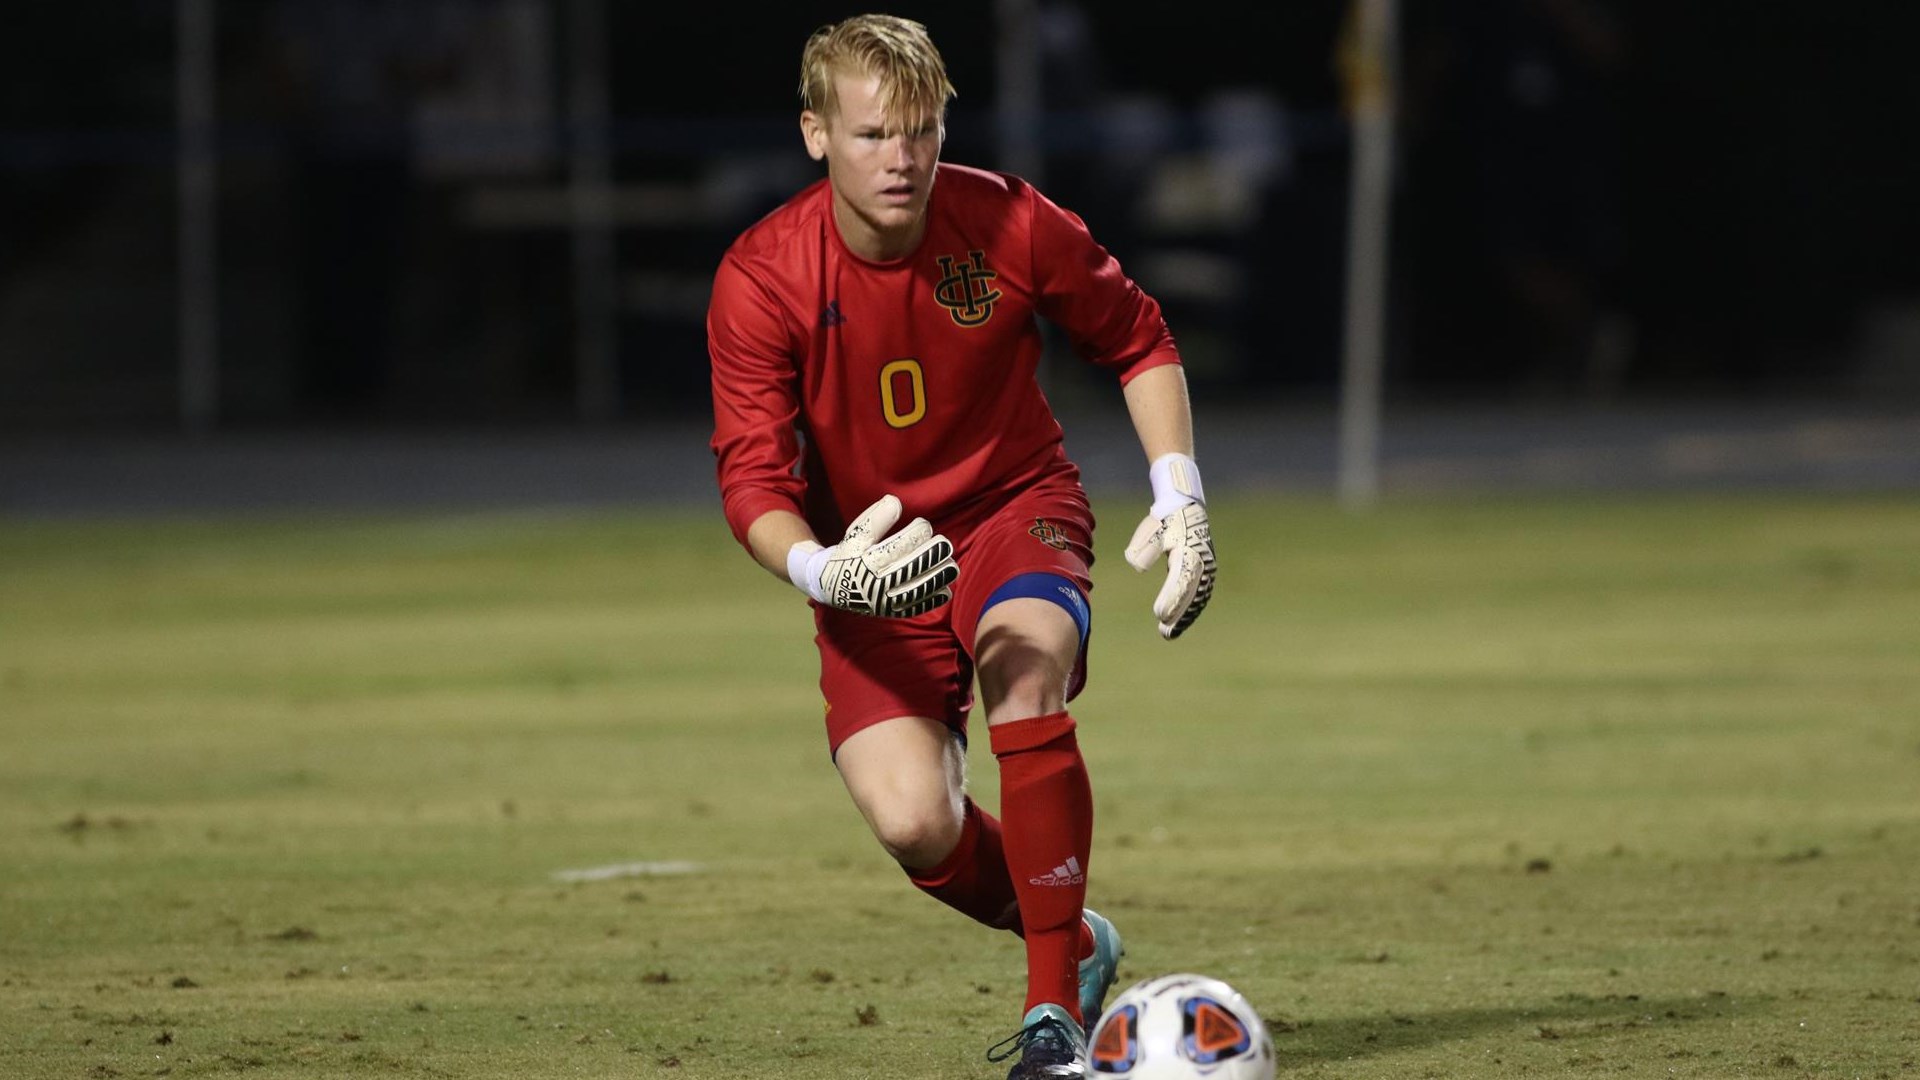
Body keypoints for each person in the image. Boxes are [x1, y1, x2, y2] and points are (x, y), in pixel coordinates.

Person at [707, 15, 1215, 1079]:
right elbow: (752, 476)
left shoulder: (1011, 222)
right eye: (872, 134)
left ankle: (1052, 1024)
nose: (901, 159)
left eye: (922, 131)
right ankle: (1079, 944)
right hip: (869, 561)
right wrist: (823, 570)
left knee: (1023, 675)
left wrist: (1180, 492)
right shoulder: (763, 277)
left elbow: (1138, 337)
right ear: (814, 134)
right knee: (914, 823)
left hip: (1012, 506)